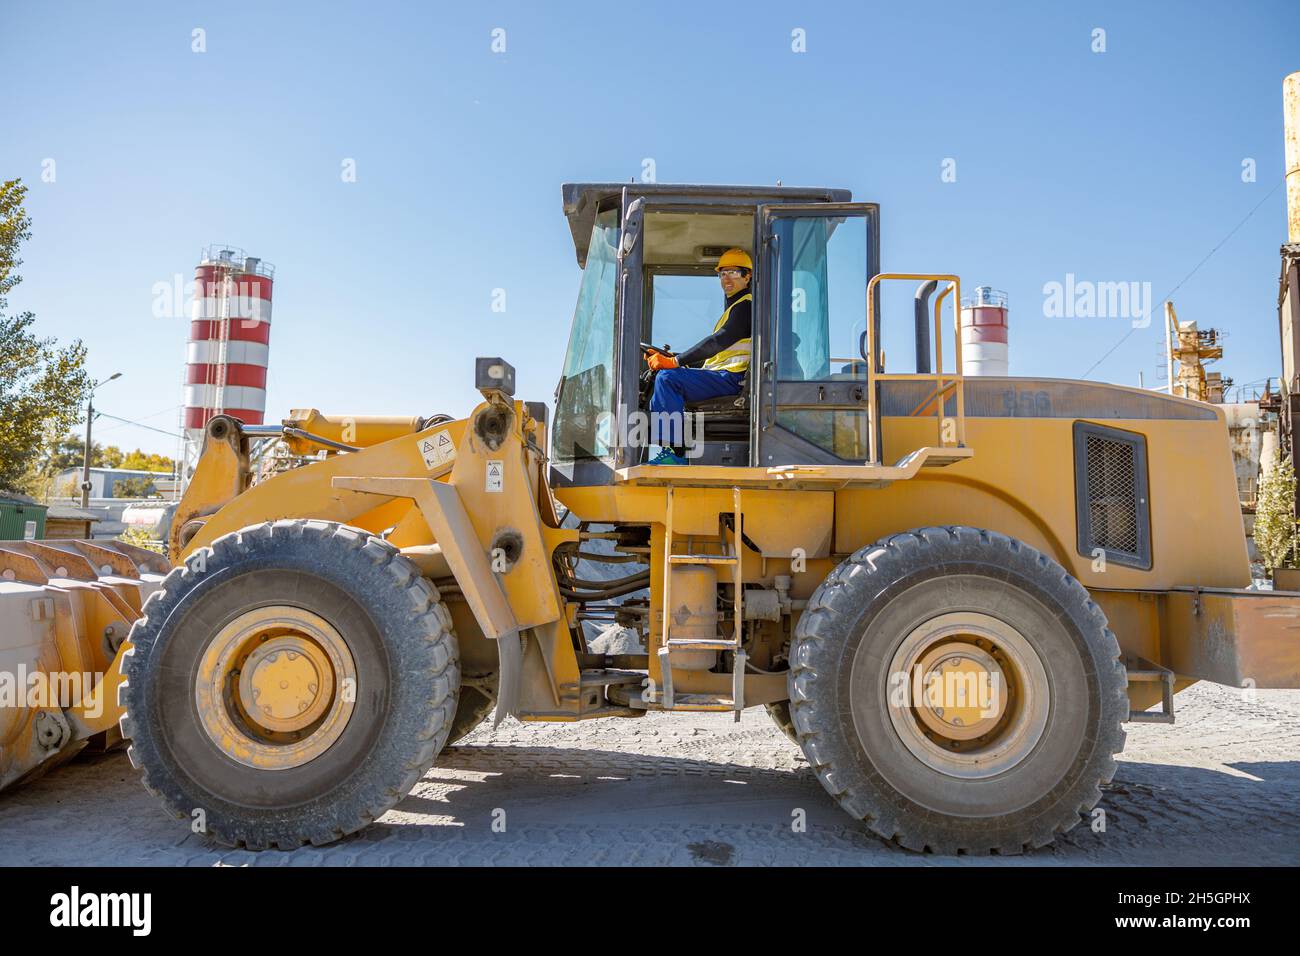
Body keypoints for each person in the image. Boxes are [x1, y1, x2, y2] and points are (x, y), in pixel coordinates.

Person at [643, 248, 753, 465]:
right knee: (663, 377)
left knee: (668, 379)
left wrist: (675, 362)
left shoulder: (745, 307)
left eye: (733, 272)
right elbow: (717, 354)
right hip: (722, 375)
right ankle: (669, 448)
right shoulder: (734, 309)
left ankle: (675, 453)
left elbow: (718, 342)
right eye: (722, 273)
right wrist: (673, 357)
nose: (726, 278)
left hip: (731, 379)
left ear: (747, 276)